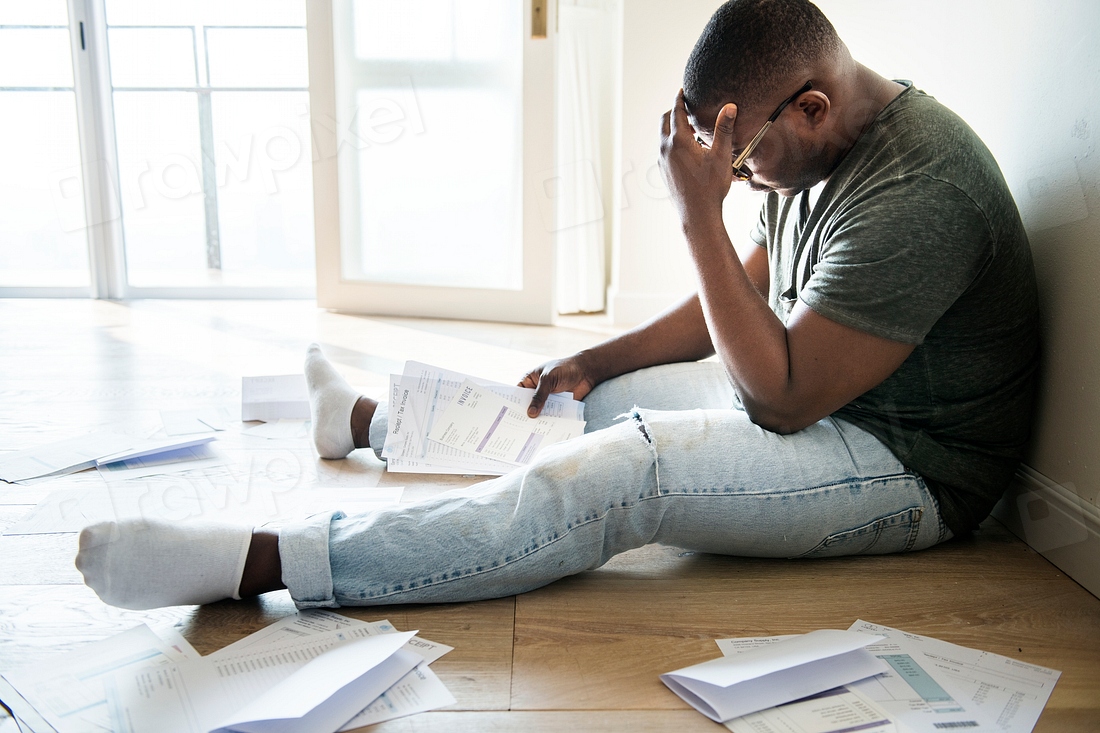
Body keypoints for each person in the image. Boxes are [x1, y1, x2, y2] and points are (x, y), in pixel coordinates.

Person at [76, 0, 1038, 611]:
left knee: (622, 471)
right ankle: (366, 419)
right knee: (582, 405)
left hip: (908, 468)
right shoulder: (819, 152)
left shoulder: (919, 189)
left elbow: (781, 400)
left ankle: (258, 564)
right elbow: (740, 298)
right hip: (826, 404)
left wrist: (696, 216)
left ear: (813, 108)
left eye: (742, 164)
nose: (741, 186)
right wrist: (603, 358)